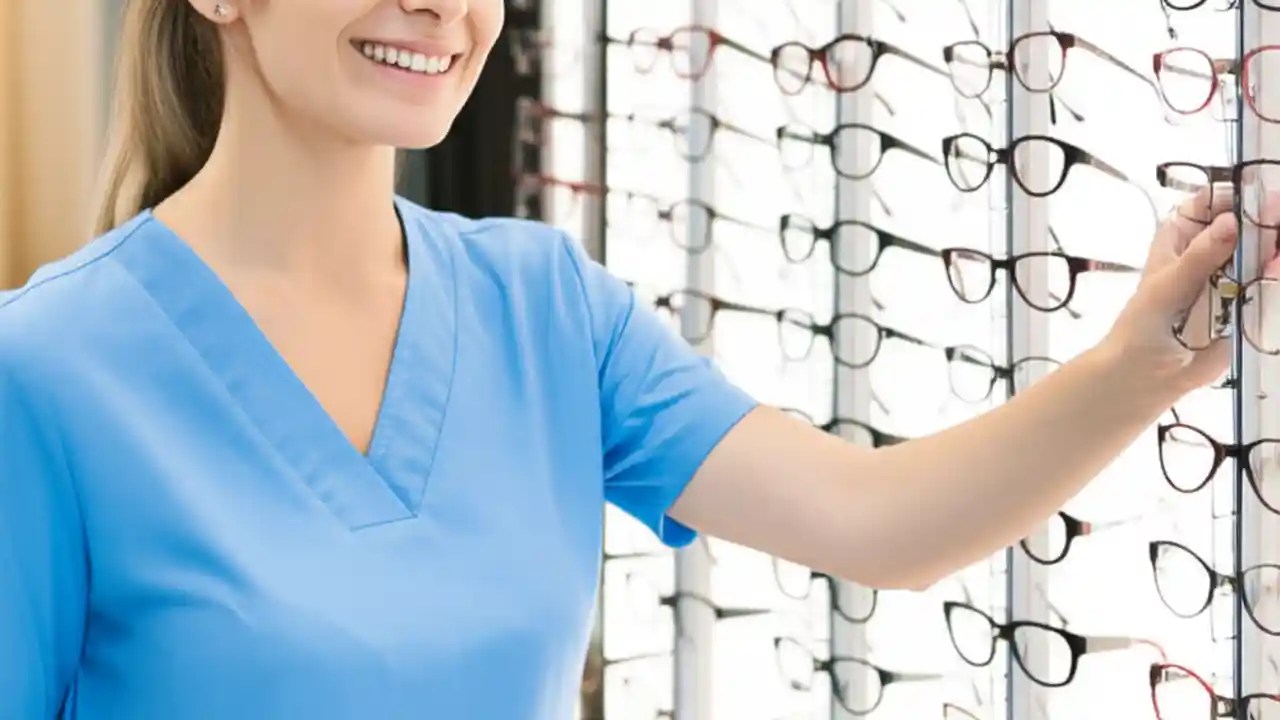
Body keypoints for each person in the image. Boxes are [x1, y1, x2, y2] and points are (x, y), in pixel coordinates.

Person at [0, 0, 1266, 718]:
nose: (441, 6)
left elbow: (881, 523)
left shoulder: (544, 307)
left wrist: (1140, 363)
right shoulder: (47, 374)